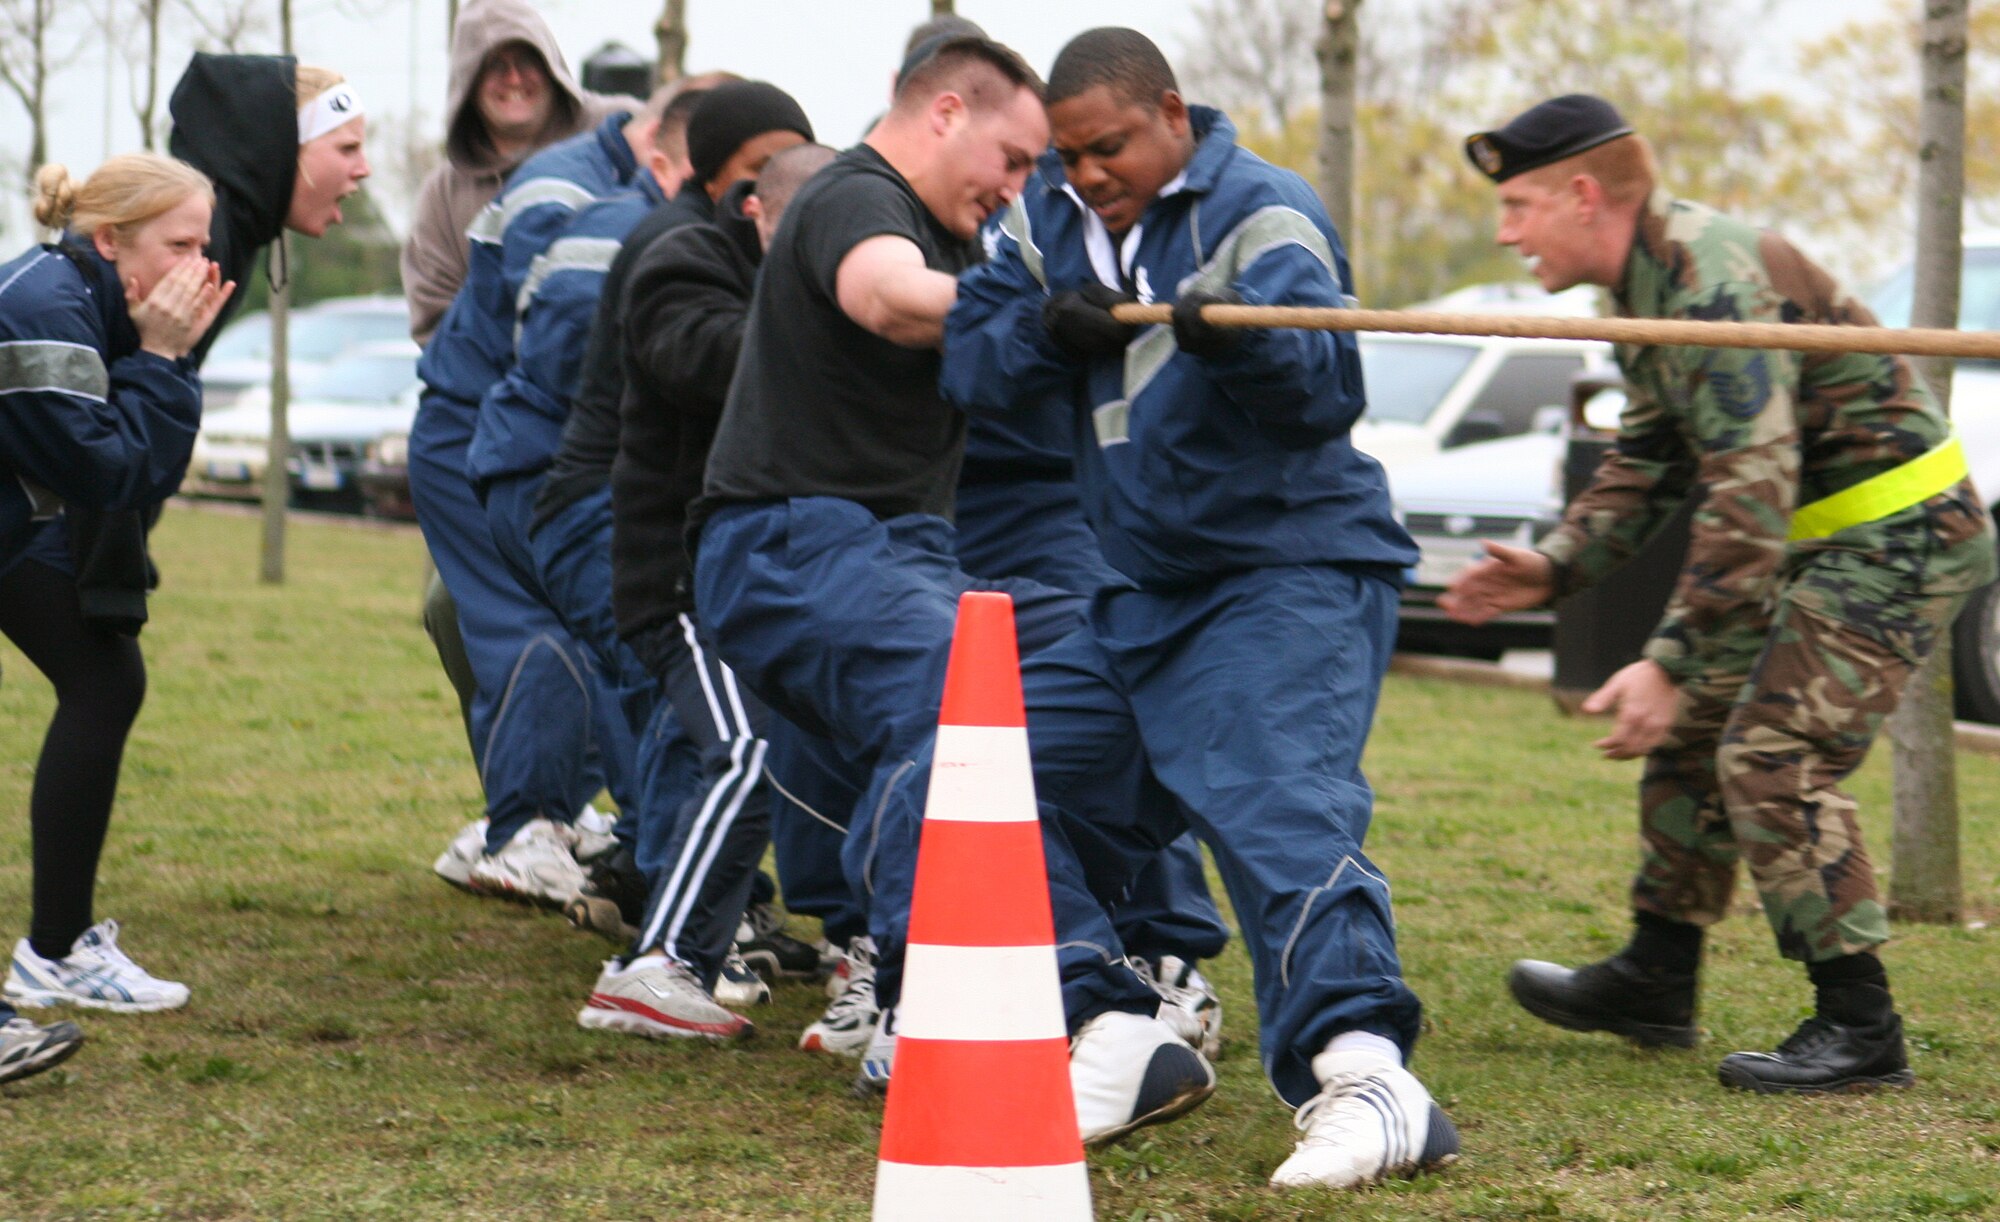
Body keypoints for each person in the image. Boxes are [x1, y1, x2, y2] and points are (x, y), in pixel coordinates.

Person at [929, 28, 1463, 1180]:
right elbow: (967, 364)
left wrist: (1225, 340)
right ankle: (1113, 1031)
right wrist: (1039, 325)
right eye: (1066, 155)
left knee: (1272, 800)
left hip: (1288, 572)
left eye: (1107, 146)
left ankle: (1367, 1076)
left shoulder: (1260, 212)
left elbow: (1323, 390)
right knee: (985, 783)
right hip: (1136, 591)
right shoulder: (1045, 225)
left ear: (1171, 113)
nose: (1088, 173)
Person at [1443, 94, 1995, 1093]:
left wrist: (1665, 656)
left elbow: (1750, 488)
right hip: (1822, 537)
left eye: (1519, 206)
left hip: (1899, 532)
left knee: (1769, 753)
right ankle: (1656, 978)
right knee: (1695, 727)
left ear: (1580, 195)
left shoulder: (1706, 283)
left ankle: (1859, 1027)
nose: (1503, 231)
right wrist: (1556, 564)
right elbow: (1648, 458)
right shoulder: (1643, 288)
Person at [688, 35, 1166, 1092]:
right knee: (960, 712)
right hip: (791, 539)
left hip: (903, 551)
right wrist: (1033, 314)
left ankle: (933, 985)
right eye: (1010, 157)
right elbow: (885, 298)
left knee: (1124, 655)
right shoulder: (858, 200)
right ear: (945, 113)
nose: (1017, 188)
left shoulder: (955, 239)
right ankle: (1079, 1005)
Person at [578, 139, 838, 1042]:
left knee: (751, 758)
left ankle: (692, 954)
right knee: (745, 755)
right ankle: (657, 966)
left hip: (751, 581)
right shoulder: (682, 263)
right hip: (677, 583)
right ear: (756, 210)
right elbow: (710, 359)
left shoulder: (788, 280)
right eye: (814, 237)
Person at [408, 88, 681, 909]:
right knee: (536, 629)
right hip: (493, 440)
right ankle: (526, 830)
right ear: (663, 145)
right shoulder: (561, 190)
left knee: (593, 633)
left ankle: (577, 825)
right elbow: (555, 346)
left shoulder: (601, 179)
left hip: (519, 437)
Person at [2, 154, 231, 1034]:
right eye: (181, 243)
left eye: (204, 244)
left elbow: (132, 467)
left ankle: (55, 952)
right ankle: (52, 955)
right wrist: (166, 355)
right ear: (109, 240)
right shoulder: (40, 307)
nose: (199, 265)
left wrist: (163, 353)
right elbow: (113, 472)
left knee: (105, 679)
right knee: (105, 682)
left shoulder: (93, 297)